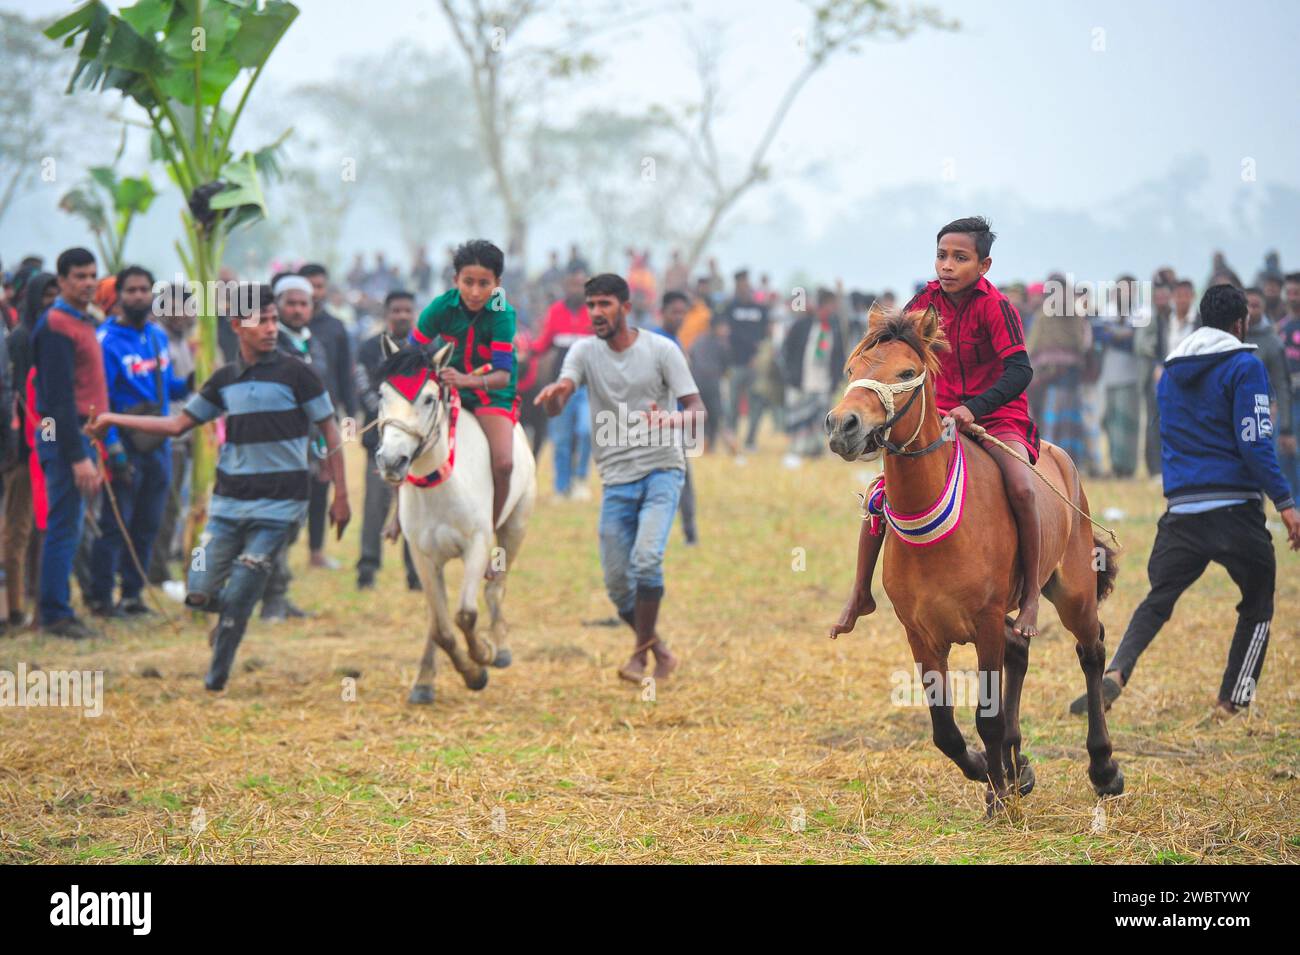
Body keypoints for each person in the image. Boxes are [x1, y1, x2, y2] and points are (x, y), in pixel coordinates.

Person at [88, 285, 351, 691]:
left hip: (282, 504)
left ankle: (217, 673)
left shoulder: (299, 373)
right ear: (236, 326)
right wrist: (113, 419)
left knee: (247, 578)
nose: (269, 328)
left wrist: (342, 495)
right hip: (228, 504)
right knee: (197, 591)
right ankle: (230, 619)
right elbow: (176, 425)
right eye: (259, 321)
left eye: (272, 320)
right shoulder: (223, 380)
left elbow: (330, 430)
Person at [1071, 285, 1300, 718]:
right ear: (1240, 323)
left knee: (1157, 599)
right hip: (1235, 511)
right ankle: (1233, 701)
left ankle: (1117, 672)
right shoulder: (1245, 365)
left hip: (1181, 511)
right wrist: (1286, 501)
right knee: (1259, 603)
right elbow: (1255, 442)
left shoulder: (1170, 372)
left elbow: (1168, 438)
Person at [833, 217, 1042, 640]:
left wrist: (973, 408)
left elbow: (1020, 371)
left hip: (997, 417)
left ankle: (1033, 594)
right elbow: (895, 350)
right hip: (939, 416)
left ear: (983, 266)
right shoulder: (923, 301)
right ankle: (859, 593)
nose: (947, 266)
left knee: (1021, 486)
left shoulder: (996, 307)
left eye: (960, 258)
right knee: (880, 495)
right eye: (942, 256)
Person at [535, 273, 705, 682]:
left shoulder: (662, 350)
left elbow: (697, 410)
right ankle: (660, 651)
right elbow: (563, 392)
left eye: (605, 304)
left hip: (662, 470)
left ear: (625, 309)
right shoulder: (582, 351)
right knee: (616, 584)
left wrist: (671, 420)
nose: (596, 312)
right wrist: (555, 397)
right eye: (591, 305)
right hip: (615, 479)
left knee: (647, 560)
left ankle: (640, 656)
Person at [87, 266, 190, 618]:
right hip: (124, 446)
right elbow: (100, 401)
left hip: (159, 445)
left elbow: (169, 387)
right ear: (118, 296)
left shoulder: (156, 336)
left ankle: (133, 595)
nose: (138, 296)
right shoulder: (106, 341)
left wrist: (194, 381)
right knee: (116, 525)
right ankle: (100, 597)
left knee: (148, 523)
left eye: (144, 290)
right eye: (130, 290)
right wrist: (112, 449)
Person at [410, 239, 518, 529]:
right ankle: (402, 517)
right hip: (448, 388)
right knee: (407, 443)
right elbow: (412, 353)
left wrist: (466, 380)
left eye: (484, 283)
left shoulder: (502, 313)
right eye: (467, 282)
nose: (474, 292)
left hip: (490, 393)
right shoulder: (440, 307)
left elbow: (503, 376)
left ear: (497, 283)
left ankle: (491, 527)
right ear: (455, 278)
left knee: (504, 464)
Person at [31, 248, 105, 639]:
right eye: (79, 276)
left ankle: (59, 607)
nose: (88, 282)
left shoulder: (83, 321)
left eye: (92, 275)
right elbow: (56, 399)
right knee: (63, 525)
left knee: (71, 525)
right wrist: (76, 456)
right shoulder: (57, 325)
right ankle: (55, 614)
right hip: (66, 435)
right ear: (61, 281)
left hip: (81, 433)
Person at [355, 290, 420, 591]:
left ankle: (416, 573)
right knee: (375, 506)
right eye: (396, 310)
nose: (402, 315)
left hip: (416, 449)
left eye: (408, 310)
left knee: (416, 508)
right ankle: (367, 569)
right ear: (386, 313)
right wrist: (390, 418)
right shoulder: (369, 349)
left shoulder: (424, 349)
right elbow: (364, 387)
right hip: (377, 444)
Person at [5, 272, 57, 626]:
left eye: (57, 294)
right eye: (46, 295)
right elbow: (26, 401)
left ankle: (39, 603)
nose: (52, 302)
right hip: (23, 452)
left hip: (45, 448)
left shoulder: (53, 336)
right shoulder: (22, 339)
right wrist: (40, 443)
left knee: (44, 528)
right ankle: (15, 609)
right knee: (18, 529)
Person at [301, 263, 357, 570]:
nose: (314, 292)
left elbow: (345, 377)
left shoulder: (335, 328)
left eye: (319, 286)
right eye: (308, 286)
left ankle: (316, 550)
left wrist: (349, 417)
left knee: (323, 480)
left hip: (325, 419)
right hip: (294, 420)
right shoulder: (286, 325)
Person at [532, 265, 593, 500]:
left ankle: (580, 479)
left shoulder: (594, 312)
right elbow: (543, 343)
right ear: (565, 286)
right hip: (560, 386)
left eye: (581, 285)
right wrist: (524, 352)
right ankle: (561, 487)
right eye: (572, 284)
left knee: (587, 430)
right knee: (562, 438)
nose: (576, 289)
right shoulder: (556, 312)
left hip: (587, 387)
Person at [653, 291, 698, 544]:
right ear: (663, 313)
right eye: (675, 312)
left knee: (681, 478)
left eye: (683, 312)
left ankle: (689, 533)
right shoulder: (657, 342)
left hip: (675, 424)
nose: (679, 317)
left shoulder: (676, 342)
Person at [1244, 287, 1294, 481]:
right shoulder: (1231, 337)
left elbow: (1282, 384)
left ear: (1264, 308)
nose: (1251, 310)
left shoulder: (1272, 341)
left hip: (1264, 414)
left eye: (1255, 305)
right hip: (1234, 412)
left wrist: (1285, 424)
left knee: (1263, 466)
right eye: (1247, 305)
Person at [1095, 276, 1141, 478]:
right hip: (1109, 375)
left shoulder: (1139, 314)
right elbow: (1100, 334)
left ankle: (1127, 467)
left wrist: (1116, 334)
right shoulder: (1107, 314)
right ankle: (1115, 465)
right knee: (1110, 422)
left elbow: (1132, 340)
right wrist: (1119, 334)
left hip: (1130, 376)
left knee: (1127, 423)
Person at [723, 269, 771, 452]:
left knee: (756, 403)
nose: (743, 287)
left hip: (755, 364)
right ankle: (732, 441)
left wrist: (760, 356)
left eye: (745, 283)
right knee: (732, 405)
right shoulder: (730, 308)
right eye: (739, 284)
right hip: (735, 364)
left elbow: (767, 334)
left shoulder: (760, 308)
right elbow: (725, 334)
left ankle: (751, 440)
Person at [1277, 272, 1300, 495]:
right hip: (1285, 399)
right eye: (1290, 292)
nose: (1293, 297)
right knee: (1283, 452)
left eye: (1297, 293)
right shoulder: (1280, 329)